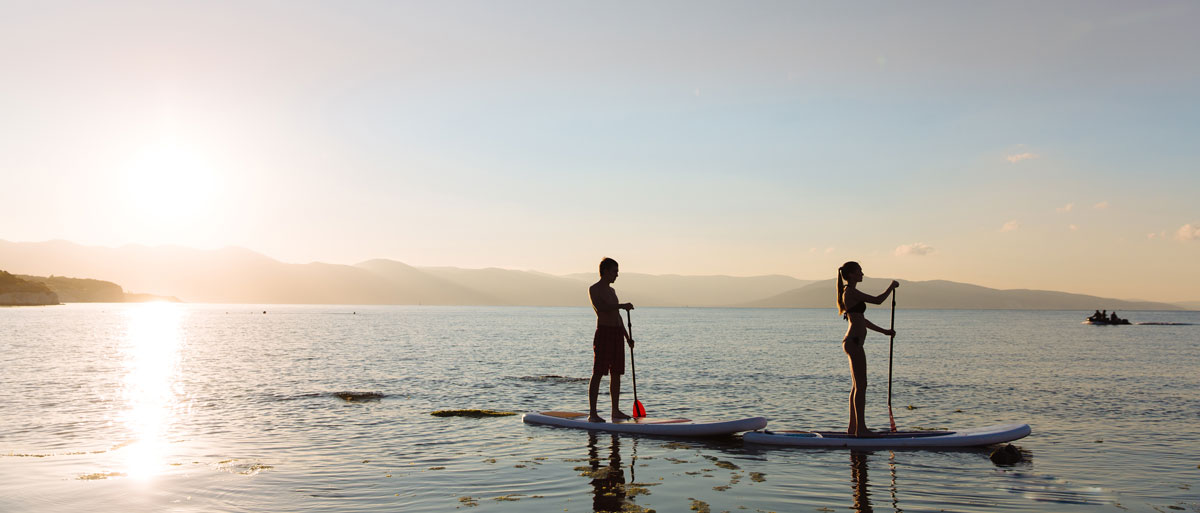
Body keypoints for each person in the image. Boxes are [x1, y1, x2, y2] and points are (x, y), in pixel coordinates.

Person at [837, 261, 898, 437]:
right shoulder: (850, 291)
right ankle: (861, 430)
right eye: (859, 271)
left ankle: (853, 428)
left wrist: (885, 331)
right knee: (861, 385)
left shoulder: (849, 292)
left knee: (857, 386)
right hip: (854, 342)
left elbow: (861, 320)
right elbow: (878, 300)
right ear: (850, 275)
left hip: (853, 342)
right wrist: (891, 286)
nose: (862, 274)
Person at [588, 257, 634, 423]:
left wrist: (627, 337)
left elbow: (617, 316)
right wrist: (621, 305)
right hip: (604, 333)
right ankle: (593, 413)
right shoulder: (594, 289)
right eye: (615, 271)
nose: (617, 275)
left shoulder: (612, 291)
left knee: (616, 373)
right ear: (605, 271)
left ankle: (615, 410)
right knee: (598, 372)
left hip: (616, 334)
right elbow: (601, 308)